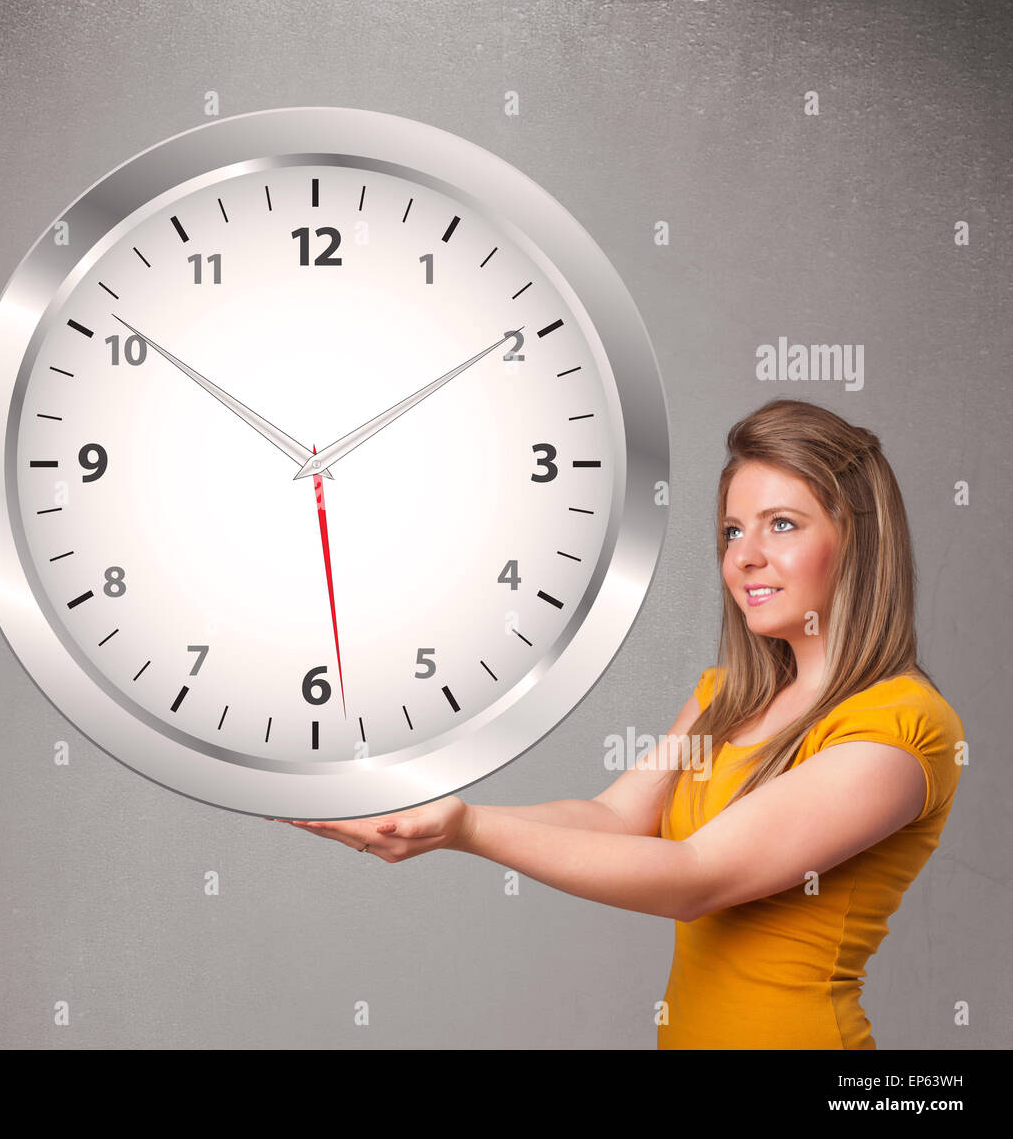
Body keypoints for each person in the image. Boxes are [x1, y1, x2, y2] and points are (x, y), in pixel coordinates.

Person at [280, 397, 965, 1050]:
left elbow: (698, 877)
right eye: (732, 530)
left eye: (781, 524)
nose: (744, 556)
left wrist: (468, 830)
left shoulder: (901, 728)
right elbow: (611, 818)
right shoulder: (726, 697)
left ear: (859, 537)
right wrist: (437, 816)